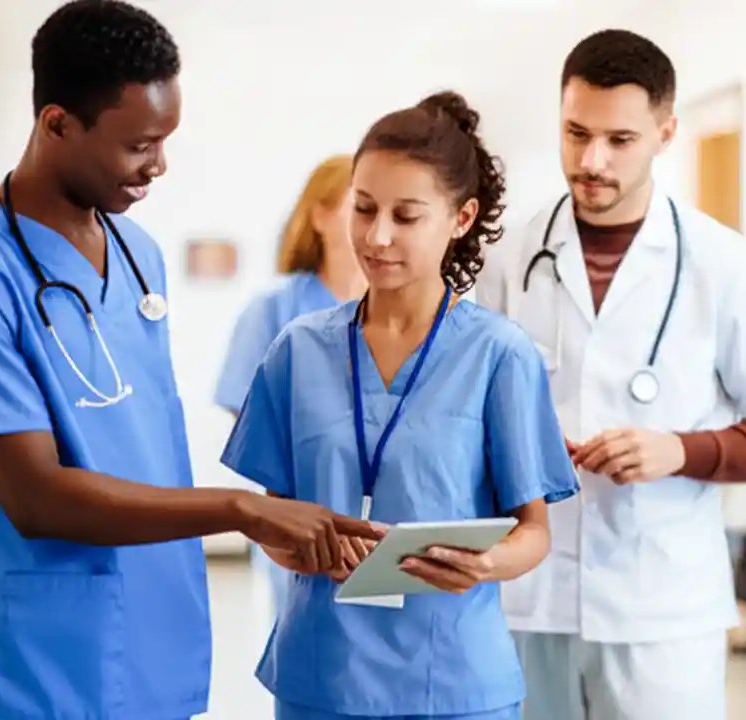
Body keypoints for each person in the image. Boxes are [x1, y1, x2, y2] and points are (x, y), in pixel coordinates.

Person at [0, 3, 379, 718]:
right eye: (138, 145)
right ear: (56, 123)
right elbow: (34, 496)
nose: (159, 165)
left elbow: (142, 447)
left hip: (156, 642)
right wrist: (242, 511)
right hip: (38, 664)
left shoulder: (136, 254)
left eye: (165, 139)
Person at [474, 29, 746, 719]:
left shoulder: (721, 262)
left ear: (666, 133)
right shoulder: (513, 258)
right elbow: (479, 415)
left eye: (619, 140)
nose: (591, 160)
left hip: (663, 606)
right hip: (532, 596)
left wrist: (677, 451)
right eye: (576, 133)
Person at [221, 90, 580, 720]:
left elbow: (534, 532)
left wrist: (485, 562)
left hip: (455, 678)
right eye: (364, 209)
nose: (377, 237)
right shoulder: (298, 351)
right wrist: (302, 548)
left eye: (406, 216)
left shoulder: (499, 355)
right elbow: (270, 522)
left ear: (461, 218)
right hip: (322, 674)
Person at [215, 153, 366, 614]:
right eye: (358, 203)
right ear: (320, 215)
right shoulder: (274, 312)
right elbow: (249, 419)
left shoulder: (401, 311)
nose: (375, 222)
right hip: (303, 514)